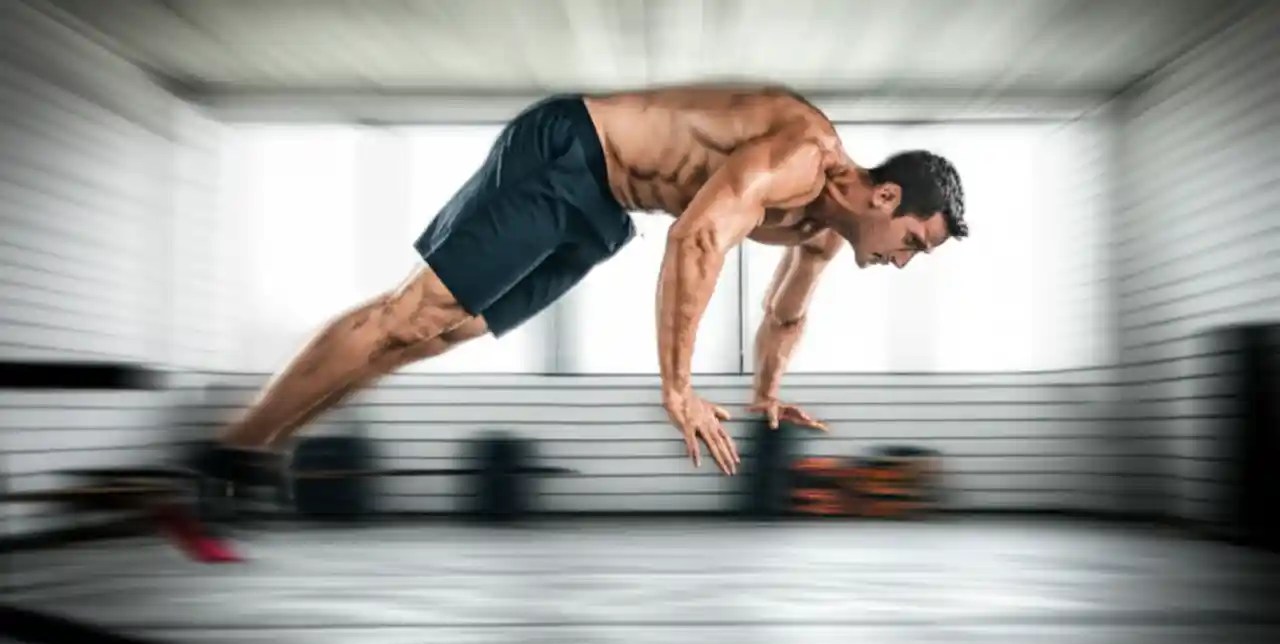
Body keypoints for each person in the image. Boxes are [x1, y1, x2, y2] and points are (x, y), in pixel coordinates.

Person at [209, 84, 967, 486]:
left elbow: (783, 315)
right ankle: (236, 446)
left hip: (606, 210)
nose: (903, 260)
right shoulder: (804, 151)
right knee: (411, 317)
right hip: (571, 150)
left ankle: (268, 442)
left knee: (445, 333)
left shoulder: (822, 234)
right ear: (888, 199)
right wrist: (679, 388)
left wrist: (766, 396)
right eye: (913, 244)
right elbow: (697, 236)